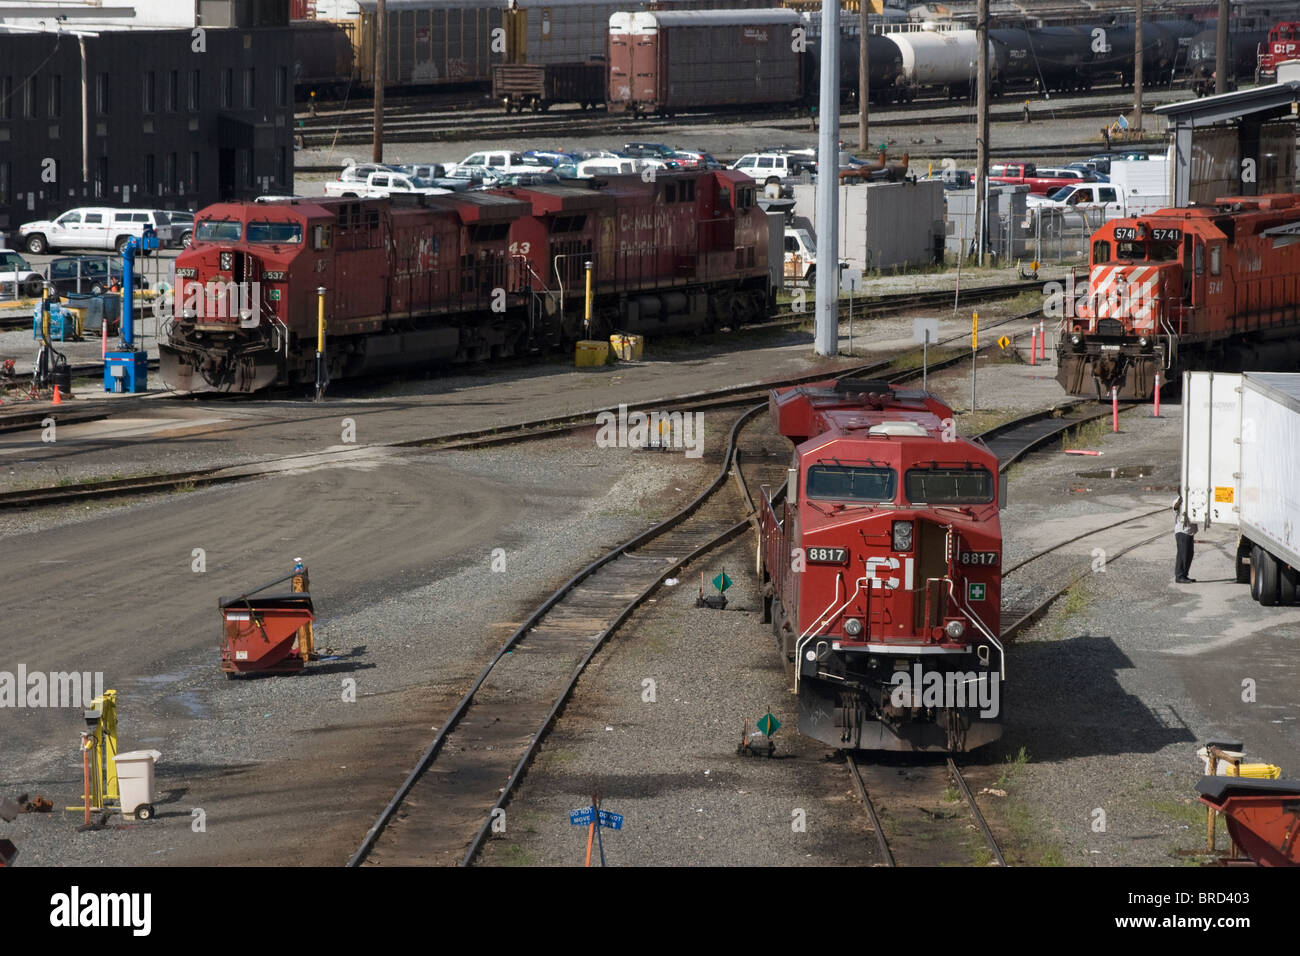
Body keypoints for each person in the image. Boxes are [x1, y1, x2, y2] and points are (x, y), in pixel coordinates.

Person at [1174, 495, 1197, 583]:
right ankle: (1179, 576)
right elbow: (1175, 507)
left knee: (1189, 554)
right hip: (1182, 531)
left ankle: (1184, 575)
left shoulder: (1191, 498)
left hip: (1189, 532)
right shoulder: (1178, 500)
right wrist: (1180, 501)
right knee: (1182, 554)